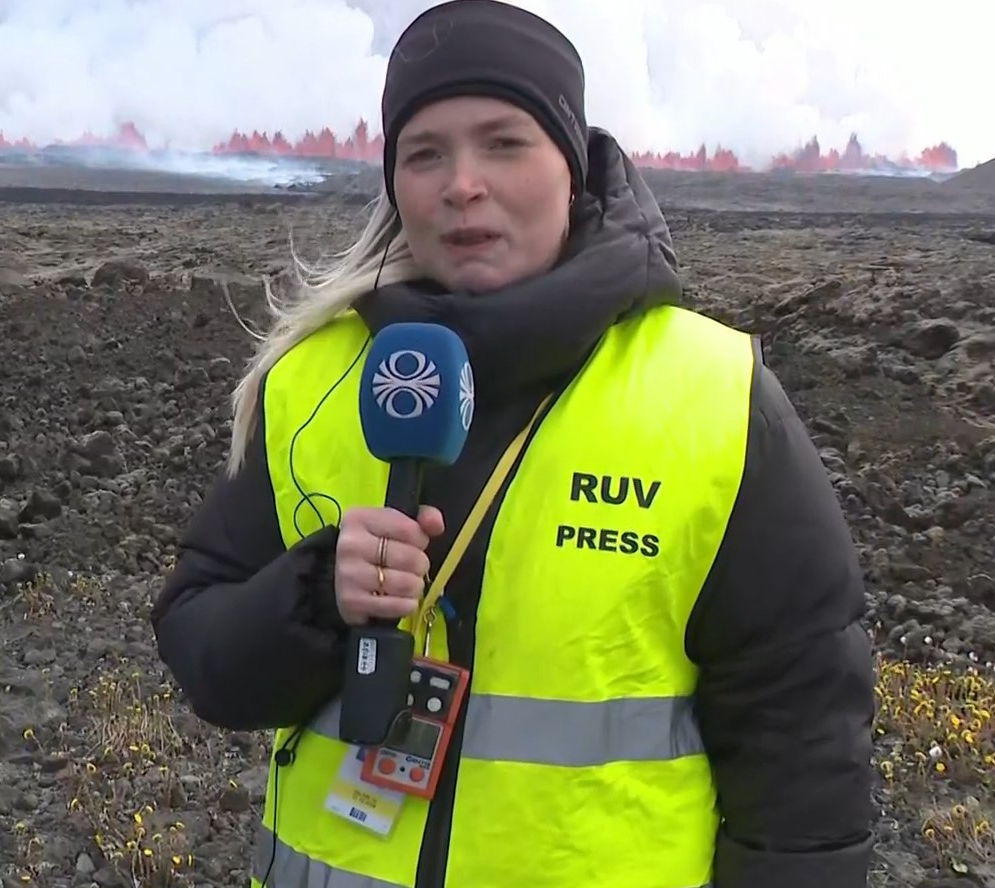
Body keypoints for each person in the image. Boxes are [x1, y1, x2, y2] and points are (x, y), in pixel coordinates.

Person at [148, 2, 877, 887]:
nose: (461, 184)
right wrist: (311, 597)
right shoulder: (313, 384)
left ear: (570, 166)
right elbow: (205, 654)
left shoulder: (711, 401)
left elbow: (801, 749)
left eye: (503, 143)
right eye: (425, 154)